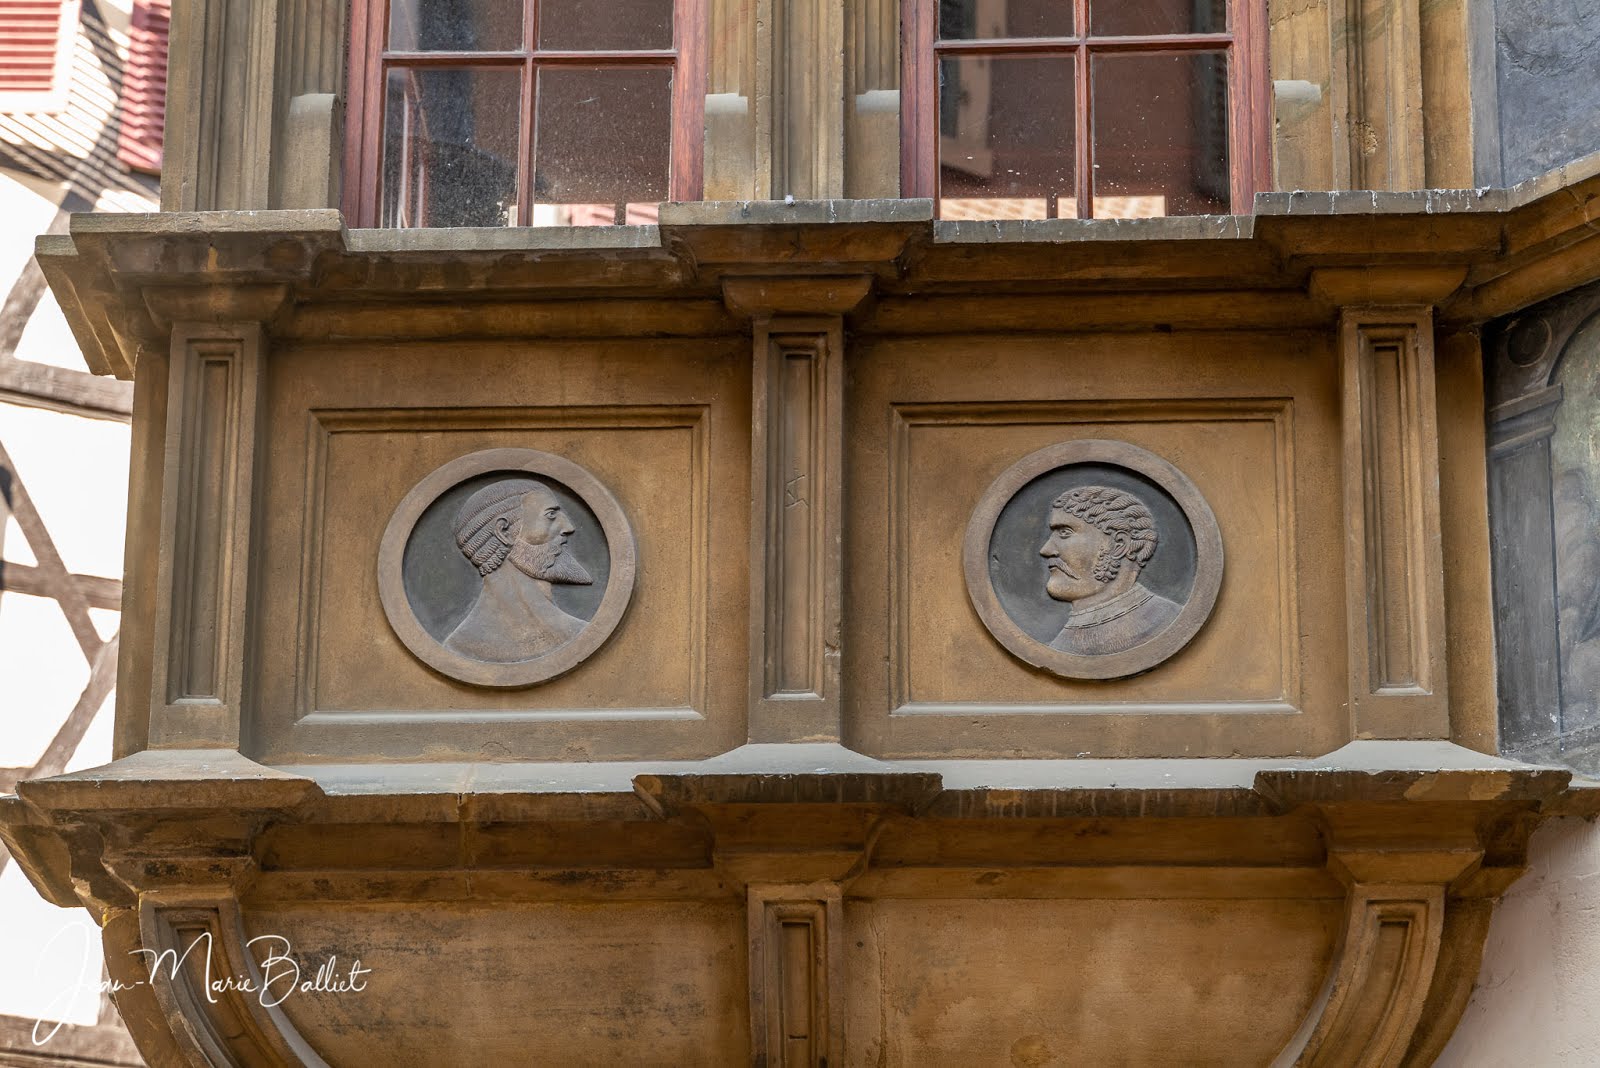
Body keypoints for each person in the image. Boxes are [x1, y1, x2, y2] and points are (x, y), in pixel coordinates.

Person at [444, 478, 592, 662]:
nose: (569, 527)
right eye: (551, 515)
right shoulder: (461, 647)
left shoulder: (578, 632)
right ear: (503, 532)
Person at [1039, 485, 1181, 656]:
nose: (1046, 550)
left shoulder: (1172, 622)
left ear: (1119, 545)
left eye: (1064, 532)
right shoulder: (1061, 643)